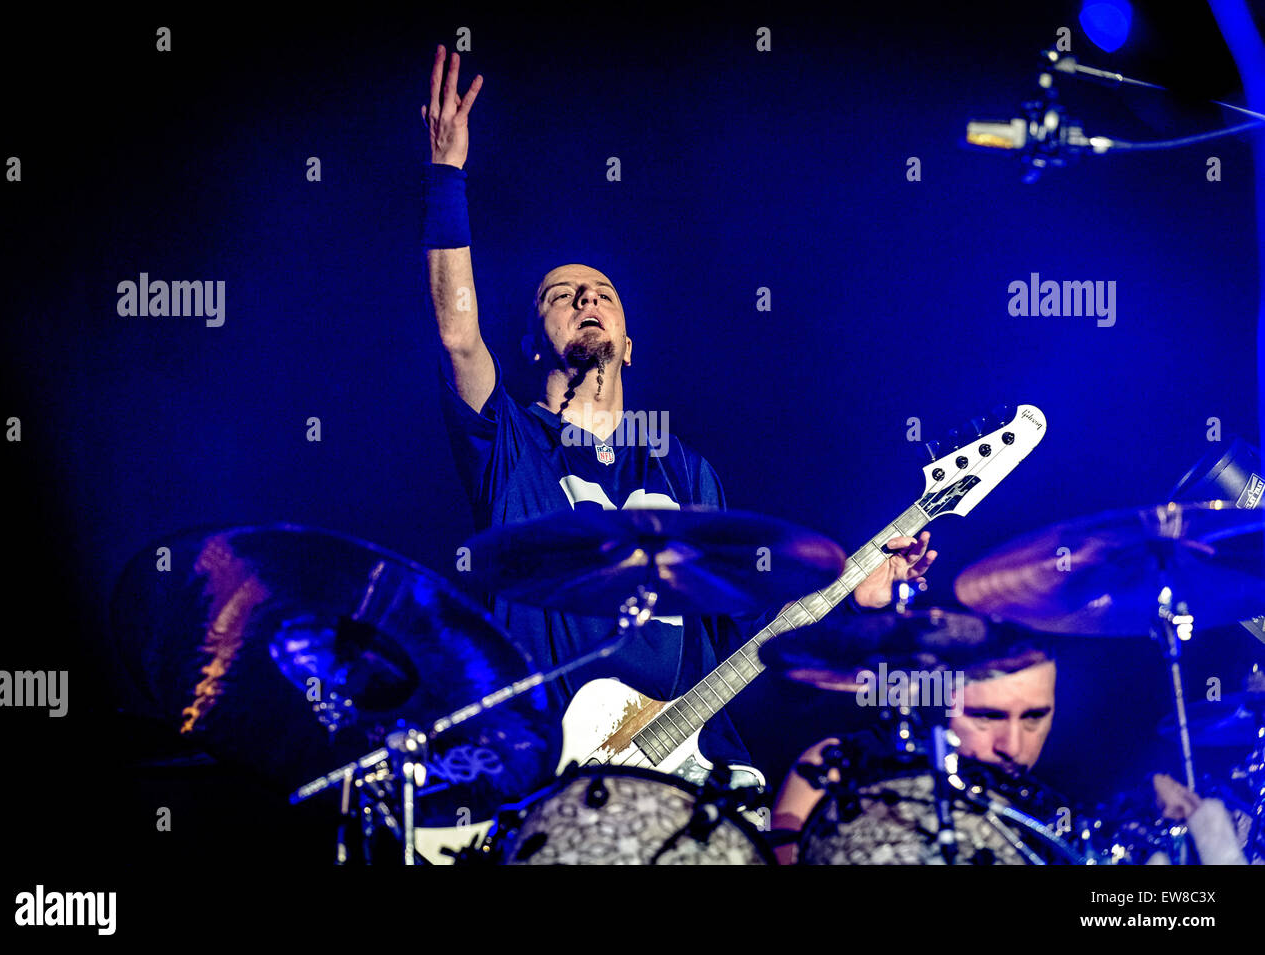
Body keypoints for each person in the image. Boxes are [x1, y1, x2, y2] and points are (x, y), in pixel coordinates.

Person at [420, 44, 936, 782]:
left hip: (691, 772)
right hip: (553, 774)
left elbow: (742, 636)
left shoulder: (686, 468)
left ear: (628, 344)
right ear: (532, 345)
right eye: (560, 296)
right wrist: (447, 175)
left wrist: (856, 598)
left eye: (601, 291)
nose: (585, 299)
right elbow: (454, 330)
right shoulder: (510, 443)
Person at [771, 648, 1057, 864]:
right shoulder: (837, 770)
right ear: (938, 702)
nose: (1012, 747)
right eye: (987, 716)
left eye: (1034, 717)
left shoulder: (1055, 817)